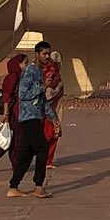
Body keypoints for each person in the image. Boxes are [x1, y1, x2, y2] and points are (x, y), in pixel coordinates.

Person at [6, 41, 56, 198]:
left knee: (26, 154)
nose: (47, 57)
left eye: (49, 53)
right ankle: (39, 186)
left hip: (36, 116)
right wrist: (43, 86)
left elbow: (41, 100)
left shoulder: (40, 73)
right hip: (28, 117)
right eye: (44, 54)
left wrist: (53, 118)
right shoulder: (30, 72)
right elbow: (23, 95)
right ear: (38, 54)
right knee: (42, 147)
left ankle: (13, 186)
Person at [0, 53, 24, 169]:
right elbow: (6, 95)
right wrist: (6, 113)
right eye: (24, 63)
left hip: (19, 111)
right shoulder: (12, 77)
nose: (26, 65)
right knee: (14, 137)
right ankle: (16, 164)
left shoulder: (19, 76)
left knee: (12, 137)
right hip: (13, 112)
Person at [38, 41, 65, 181]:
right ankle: (46, 160)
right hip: (49, 110)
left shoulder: (48, 72)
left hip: (51, 109)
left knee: (51, 134)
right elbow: (50, 91)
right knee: (50, 134)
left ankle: (47, 160)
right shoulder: (50, 74)